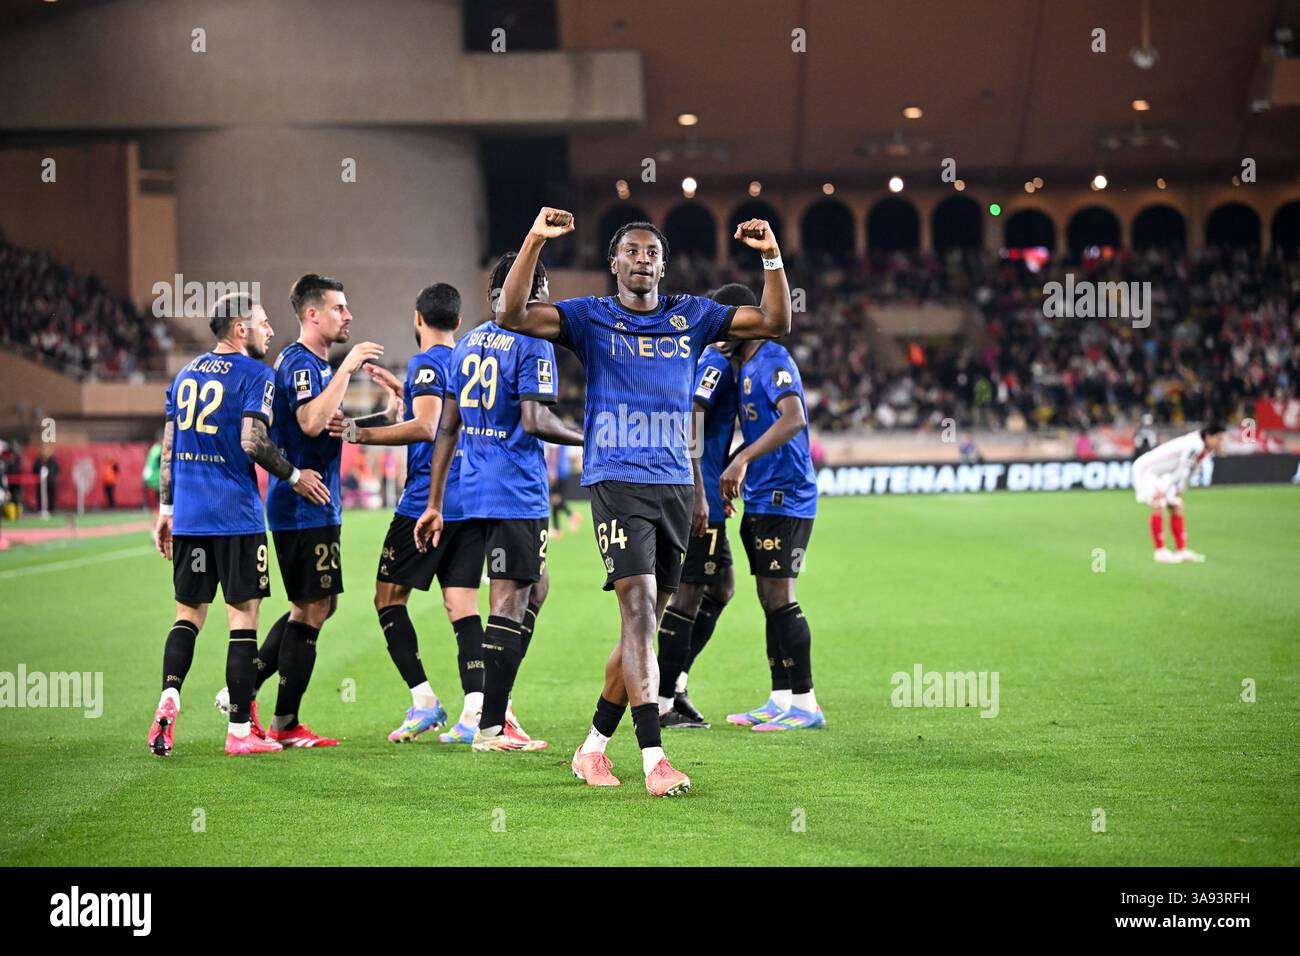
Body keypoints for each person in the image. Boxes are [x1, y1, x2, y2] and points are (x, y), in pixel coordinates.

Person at [493, 206, 791, 796]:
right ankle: (655, 758)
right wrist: (534, 240)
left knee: (646, 623)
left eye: (651, 253)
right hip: (616, 480)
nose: (641, 261)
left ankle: (592, 749)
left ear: (663, 265)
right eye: (630, 252)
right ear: (613, 264)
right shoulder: (590, 318)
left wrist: (771, 254)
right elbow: (512, 314)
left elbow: (776, 321)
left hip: (675, 484)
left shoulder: (694, 316)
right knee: (637, 612)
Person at [146, 292, 329, 757]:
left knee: (187, 617)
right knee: (242, 621)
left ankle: (169, 696)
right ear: (240, 329)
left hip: (189, 516)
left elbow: (168, 450)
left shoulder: (185, 374)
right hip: (235, 516)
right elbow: (252, 440)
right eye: (264, 323)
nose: (270, 330)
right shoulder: (257, 375)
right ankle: (240, 732)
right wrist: (292, 474)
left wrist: (166, 511)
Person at [415, 255, 585, 752]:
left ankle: (496, 703)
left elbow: (447, 428)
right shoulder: (534, 340)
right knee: (509, 600)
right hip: (515, 489)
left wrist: (436, 502)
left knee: (537, 588)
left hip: (474, 488)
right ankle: (490, 724)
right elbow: (535, 422)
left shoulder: (466, 344)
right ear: (538, 289)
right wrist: (591, 436)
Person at [227, 274, 388, 748]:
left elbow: (323, 424)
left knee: (318, 604)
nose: (349, 315)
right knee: (313, 606)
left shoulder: (316, 368)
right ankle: (279, 718)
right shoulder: (300, 362)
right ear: (312, 314)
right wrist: (350, 366)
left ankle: (249, 694)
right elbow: (308, 421)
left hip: (320, 504)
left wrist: (363, 415)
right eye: (340, 308)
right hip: (301, 507)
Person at [330, 282, 476, 743]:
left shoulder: (428, 361)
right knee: (462, 605)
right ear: (457, 321)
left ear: (418, 318)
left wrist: (358, 433)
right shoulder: (471, 360)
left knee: (388, 598)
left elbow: (428, 427)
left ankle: (424, 701)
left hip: (425, 504)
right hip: (470, 502)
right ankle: (476, 714)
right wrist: (406, 389)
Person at [655, 284, 753, 730]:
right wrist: (700, 491)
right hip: (697, 497)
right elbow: (689, 421)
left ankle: (674, 683)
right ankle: (662, 700)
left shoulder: (715, 361)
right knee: (688, 596)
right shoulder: (714, 361)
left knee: (721, 588)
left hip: (707, 495)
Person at [721, 332, 824, 731]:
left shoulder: (772, 359)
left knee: (781, 597)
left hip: (788, 496)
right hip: (762, 496)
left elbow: (794, 417)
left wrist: (742, 456)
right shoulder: (745, 365)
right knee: (768, 597)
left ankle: (806, 703)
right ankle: (781, 697)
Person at [1133, 422, 1225, 563]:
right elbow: (1182, 468)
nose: (1220, 442)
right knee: (1159, 503)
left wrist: (1180, 490)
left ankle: (1181, 550)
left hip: (1163, 474)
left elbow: (1191, 471)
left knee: (1177, 506)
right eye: (1218, 438)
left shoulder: (1205, 449)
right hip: (1147, 470)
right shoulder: (1195, 444)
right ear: (1208, 436)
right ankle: (1160, 552)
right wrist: (1164, 490)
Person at [142, 434, 163, 511]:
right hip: (156, 478)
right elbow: (160, 462)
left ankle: (152, 511)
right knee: (161, 499)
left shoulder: (154, 448)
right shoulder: (159, 450)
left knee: (155, 500)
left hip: (149, 477)